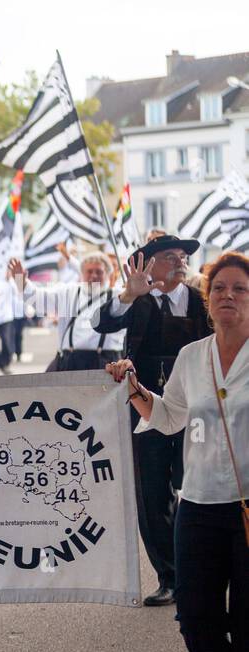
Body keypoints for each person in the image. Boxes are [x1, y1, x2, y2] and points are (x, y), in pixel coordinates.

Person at [105, 250, 249, 652]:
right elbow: (167, 420)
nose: (228, 296)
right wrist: (136, 390)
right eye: (220, 290)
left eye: (239, 289)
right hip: (198, 505)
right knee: (195, 617)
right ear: (208, 302)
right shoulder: (193, 357)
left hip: (248, 509)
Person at [90, 235, 212, 607]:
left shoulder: (200, 299)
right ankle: (171, 577)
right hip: (145, 405)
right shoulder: (136, 300)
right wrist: (127, 294)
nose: (179, 261)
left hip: (197, 405)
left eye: (182, 256)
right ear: (146, 266)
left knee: (197, 485)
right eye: (169, 256)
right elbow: (99, 323)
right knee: (152, 492)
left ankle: (206, 570)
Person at [10, 251, 122, 372]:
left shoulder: (118, 296)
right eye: (89, 271)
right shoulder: (68, 292)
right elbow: (38, 299)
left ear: (107, 274)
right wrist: (21, 282)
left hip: (105, 364)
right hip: (70, 363)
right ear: (82, 273)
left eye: (99, 272)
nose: (94, 276)